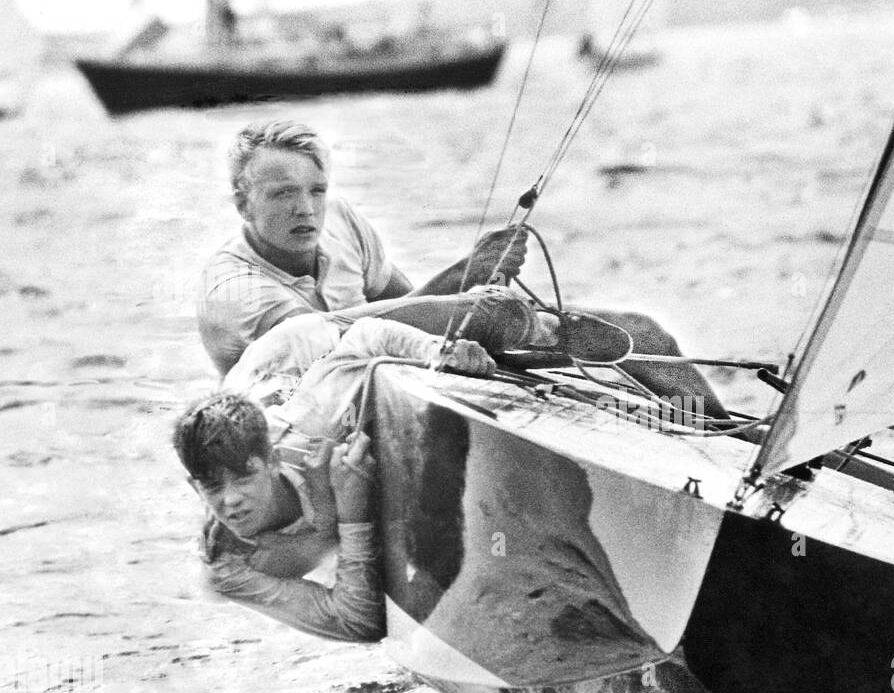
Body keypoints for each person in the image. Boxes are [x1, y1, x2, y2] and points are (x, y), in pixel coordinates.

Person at [198, 118, 729, 419]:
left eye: (316, 190)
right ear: (242, 204)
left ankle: (727, 438)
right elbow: (334, 348)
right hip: (319, 415)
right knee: (499, 320)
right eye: (283, 194)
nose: (306, 209)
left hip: (403, 370)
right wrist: (470, 284)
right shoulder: (237, 292)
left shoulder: (340, 223)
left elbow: (412, 305)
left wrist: (466, 278)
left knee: (642, 334)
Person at [175, 315, 497, 642]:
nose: (230, 501)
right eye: (213, 486)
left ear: (271, 462)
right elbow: (360, 624)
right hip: (253, 392)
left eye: (244, 478)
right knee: (426, 576)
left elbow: (367, 335)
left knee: (497, 315)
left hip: (298, 348)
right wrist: (351, 515)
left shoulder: (314, 428)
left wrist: (438, 352)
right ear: (194, 486)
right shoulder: (228, 566)